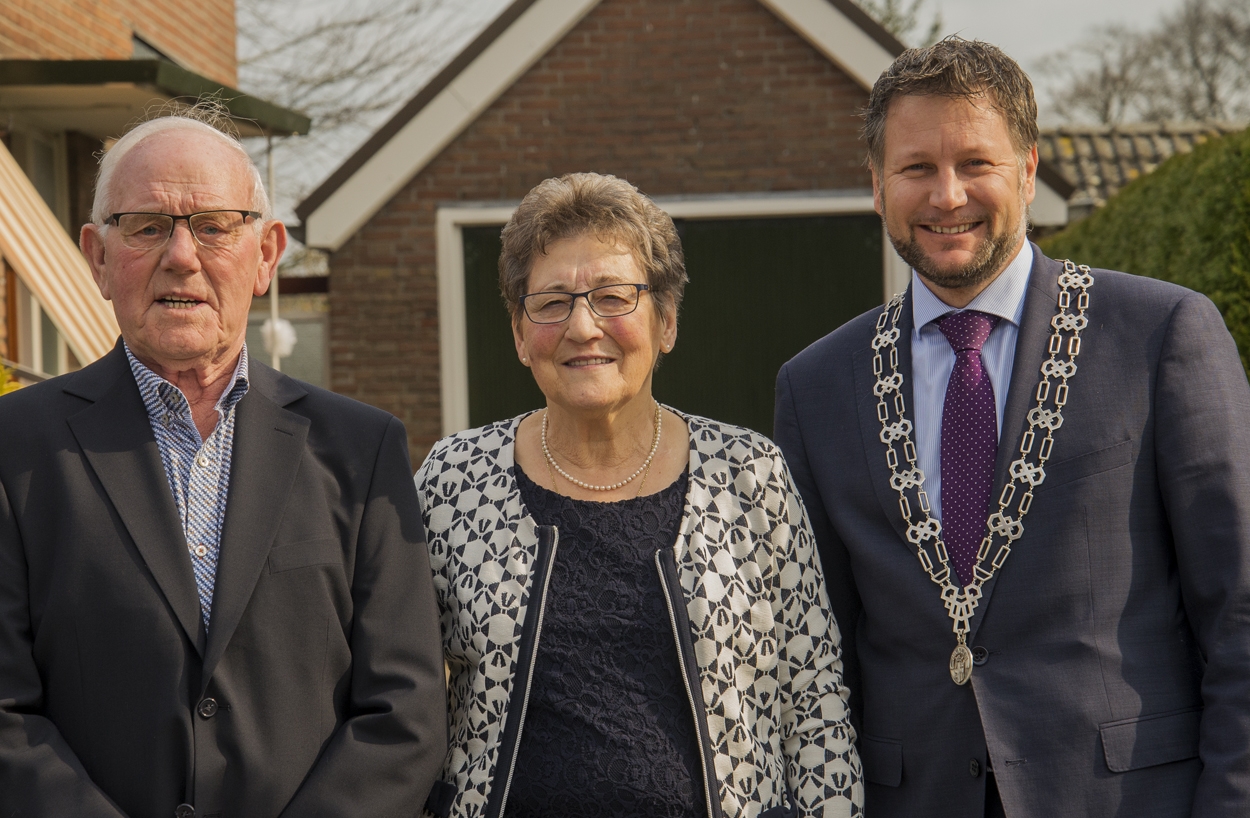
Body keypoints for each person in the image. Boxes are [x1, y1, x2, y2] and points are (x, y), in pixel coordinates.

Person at [774, 36, 1250, 818]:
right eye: (916, 168)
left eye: (975, 164)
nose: (946, 195)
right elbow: (814, 659)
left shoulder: (1160, 335)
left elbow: (1237, 610)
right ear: (876, 184)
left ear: (1028, 171)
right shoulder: (817, 385)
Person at [0, 107, 447, 817]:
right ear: (97, 256)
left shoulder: (361, 451)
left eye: (214, 226)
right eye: (147, 225)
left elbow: (406, 713)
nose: (182, 254)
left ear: (267, 254)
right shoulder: (16, 449)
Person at [415, 172, 862, 818]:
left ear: (667, 321)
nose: (583, 326)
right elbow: (401, 696)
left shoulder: (750, 475)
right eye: (551, 302)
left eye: (613, 296)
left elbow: (817, 705)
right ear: (518, 333)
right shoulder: (454, 481)